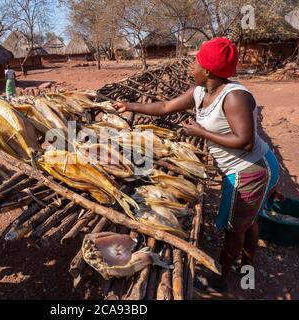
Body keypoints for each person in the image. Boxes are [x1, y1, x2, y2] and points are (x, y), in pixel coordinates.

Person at [114, 37, 280, 293]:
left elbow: (245, 142)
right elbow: (166, 106)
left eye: (196, 62)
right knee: (247, 221)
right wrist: (129, 105)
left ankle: (220, 279)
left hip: (250, 170)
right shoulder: (200, 91)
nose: (191, 67)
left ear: (209, 70)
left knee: (234, 228)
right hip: (239, 169)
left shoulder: (234, 96)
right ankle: (247, 264)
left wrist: (202, 133)